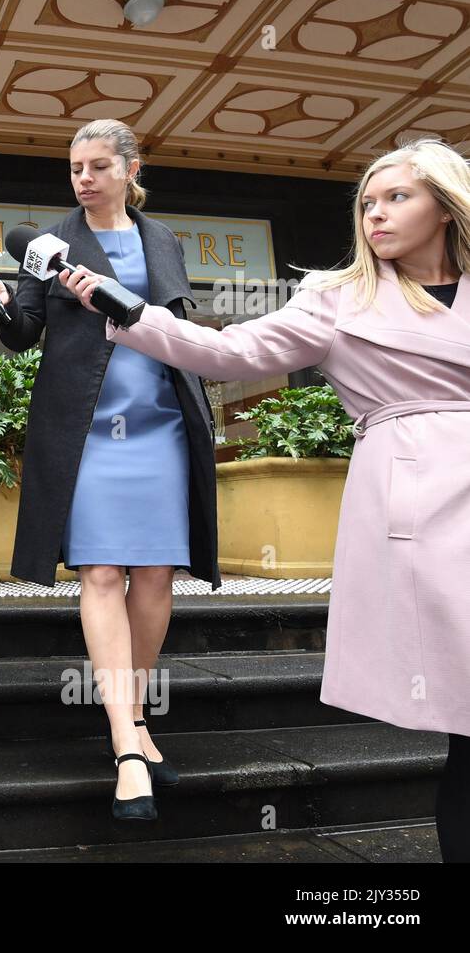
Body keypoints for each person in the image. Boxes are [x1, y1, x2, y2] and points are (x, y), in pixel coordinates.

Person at [56, 137, 470, 860]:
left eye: (396, 197)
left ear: (446, 205)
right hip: (425, 508)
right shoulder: (339, 300)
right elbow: (229, 352)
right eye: (366, 202)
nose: (374, 214)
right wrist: (126, 308)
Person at [0, 119, 220, 821]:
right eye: (76, 166)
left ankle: (134, 715)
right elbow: (22, 337)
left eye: (99, 165)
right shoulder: (48, 244)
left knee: (157, 575)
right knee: (103, 572)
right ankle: (126, 744)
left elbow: (179, 325)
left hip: (162, 424)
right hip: (87, 430)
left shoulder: (160, 237)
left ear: (132, 169)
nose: (84, 177)